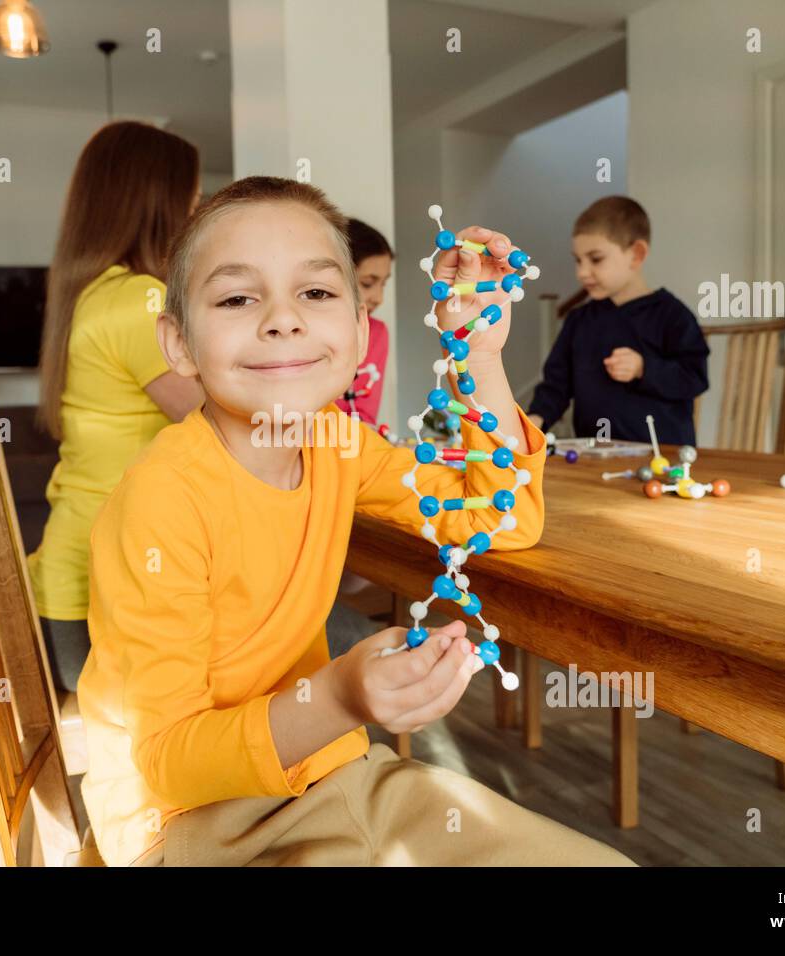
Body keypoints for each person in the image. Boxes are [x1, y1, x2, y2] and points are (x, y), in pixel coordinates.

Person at [76, 175, 635, 868]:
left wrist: (480, 356)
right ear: (179, 343)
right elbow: (168, 763)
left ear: (359, 326)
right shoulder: (161, 502)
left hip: (333, 775)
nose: (285, 319)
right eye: (237, 297)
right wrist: (339, 696)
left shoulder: (339, 445)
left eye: (316, 292)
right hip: (185, 828)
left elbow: (499, 516)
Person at [28, 121, 204, 692]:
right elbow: (226, 424)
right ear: (162, 204)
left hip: (78, 581)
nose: (201, 214)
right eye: (195, 199)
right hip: (100, 603)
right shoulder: (140, 301)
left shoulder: (101, 291)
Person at [527, 196, 708, 445]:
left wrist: (644, 368)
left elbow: (694, 378)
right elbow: (555, 386)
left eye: (596, 259)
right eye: (578, 260)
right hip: (593, 457)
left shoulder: (672, 316)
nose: (582, 272)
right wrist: (535, 421)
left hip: (662, 457)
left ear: (636, 255)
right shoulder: (578, 320)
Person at [334, 218, 391, 426]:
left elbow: (365, 419)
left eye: (383, 284)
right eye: (368, 283)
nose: (378, 298)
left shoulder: (376, 332)